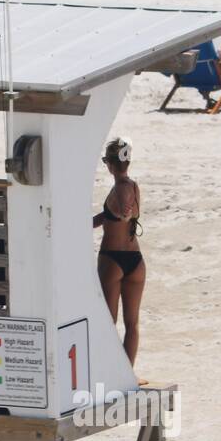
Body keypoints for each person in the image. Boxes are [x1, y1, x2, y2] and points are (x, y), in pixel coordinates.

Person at [93, 137, 145, 366]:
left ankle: (108, 370)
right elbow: (112, 217)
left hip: (112, 259)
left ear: (111, 164)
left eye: (105, 160)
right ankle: (126, 372)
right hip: (136, 259)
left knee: (108, 321)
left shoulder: (121, 188)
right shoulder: (133, 185)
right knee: (132, 323)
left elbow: (123, 214)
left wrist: (125, 212)